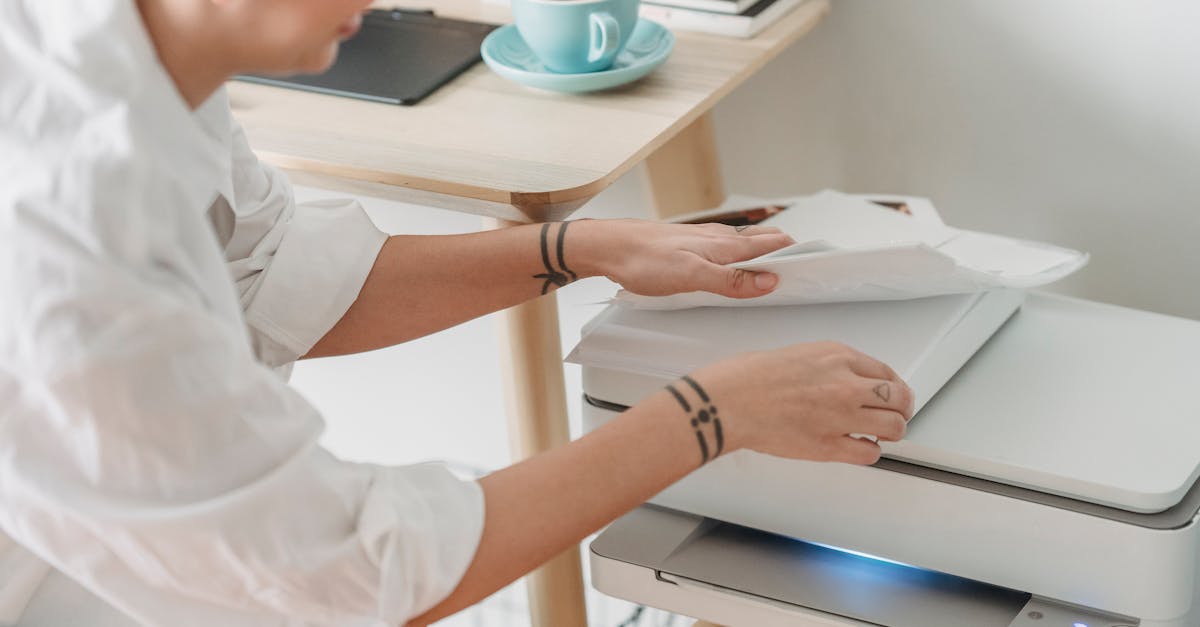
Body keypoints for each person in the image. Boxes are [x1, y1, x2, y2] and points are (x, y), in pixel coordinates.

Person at [0, 1, 914, 625]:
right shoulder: (69, 223)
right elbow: (362, 575)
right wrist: (709, 414)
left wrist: (579, 247)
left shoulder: (143, 60)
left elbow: (271, 277)